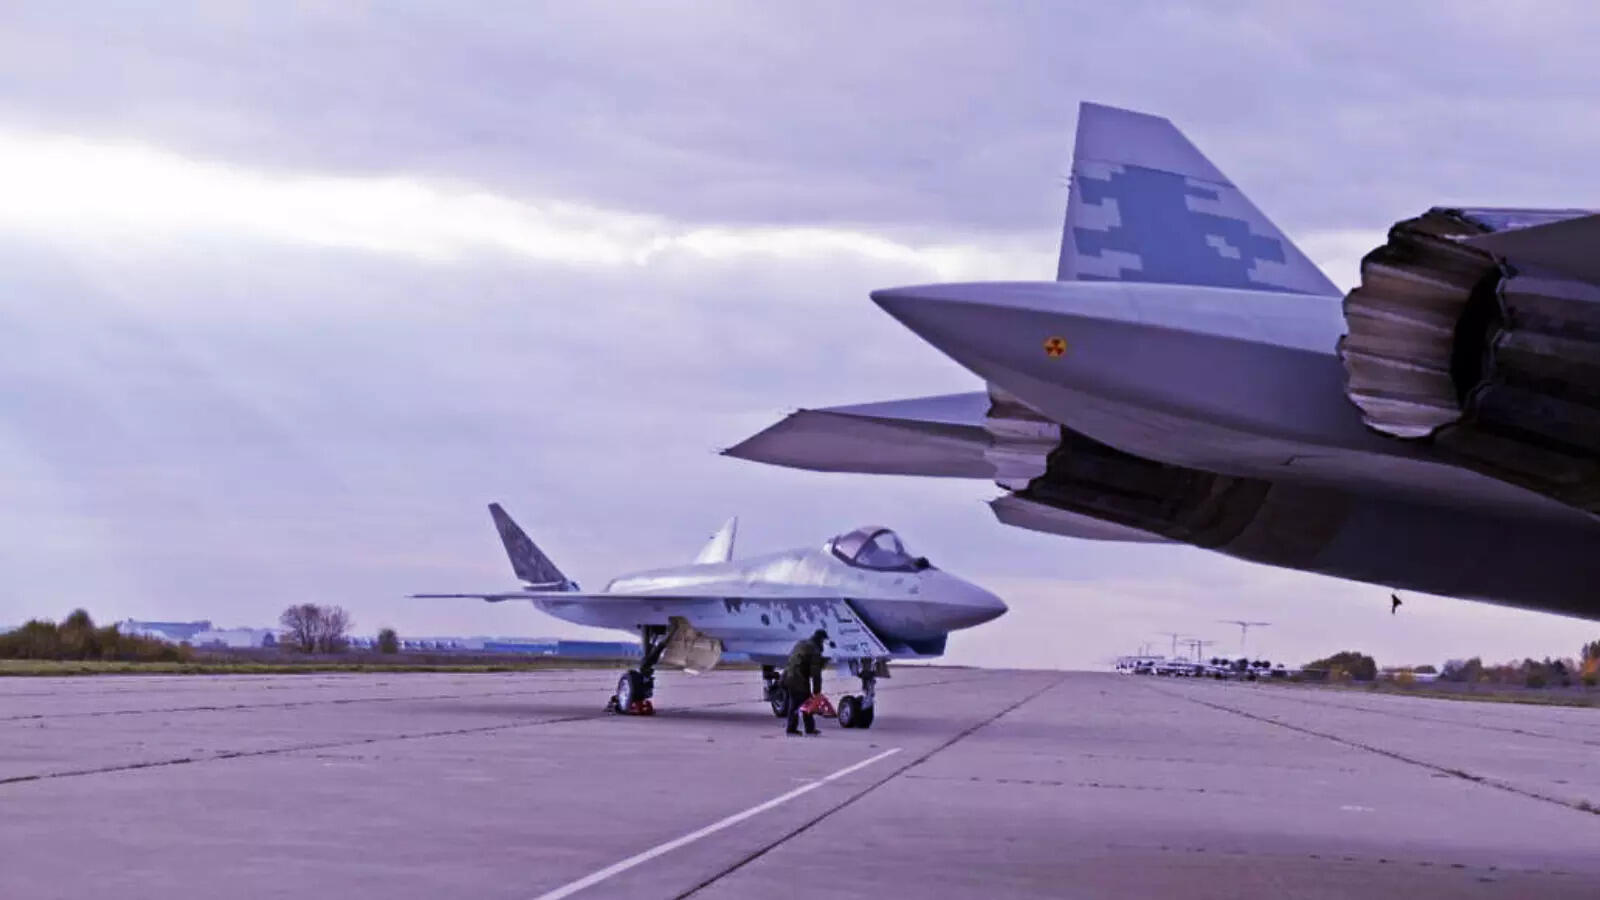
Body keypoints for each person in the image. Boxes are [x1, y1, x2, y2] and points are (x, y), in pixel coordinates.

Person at [782, 628, 828, 736]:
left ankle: (804, 729)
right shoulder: (814, 649)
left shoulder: (802, 643)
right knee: (802, 703)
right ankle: (794, 729)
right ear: (820, 640)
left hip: (788, 676)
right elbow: (815, 673)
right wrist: (817, 692)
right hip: (798, 678)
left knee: (799, 702)